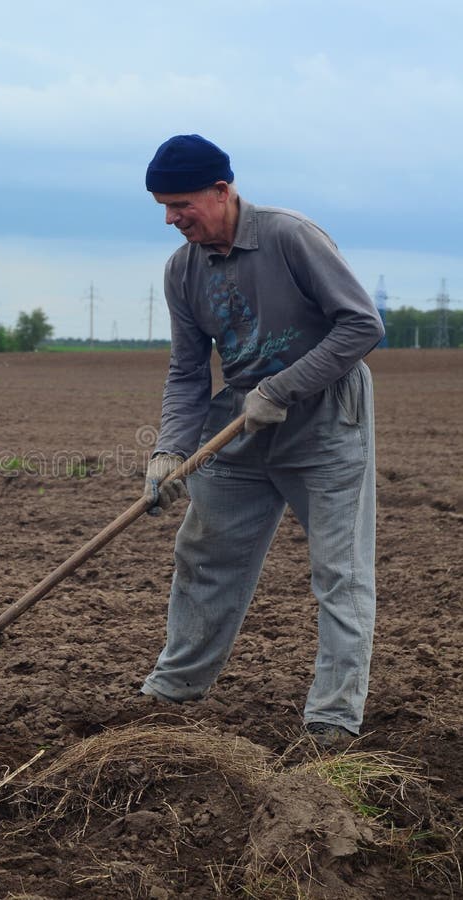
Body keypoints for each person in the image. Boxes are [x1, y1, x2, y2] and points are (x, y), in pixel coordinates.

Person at [140, 134, 384, 750]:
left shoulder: (289, 237)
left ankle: (331, 723)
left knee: (340, 572)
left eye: (180, 204)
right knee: (204, 554)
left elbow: (362, 324)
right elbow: (189, 371)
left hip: (328, 422)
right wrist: (170, 450)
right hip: (242, 424)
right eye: (163, 207)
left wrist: (286, 386)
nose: (171, 219)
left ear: (222, 191)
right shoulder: (182, 270)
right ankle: (172, 693)